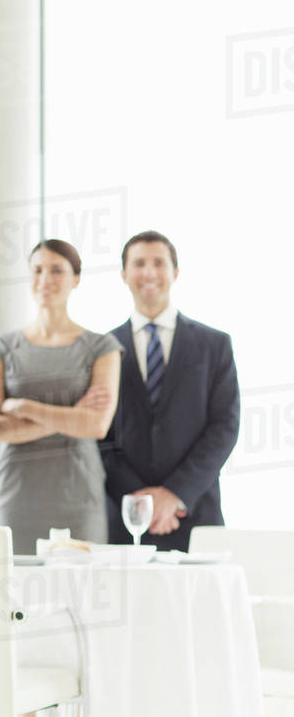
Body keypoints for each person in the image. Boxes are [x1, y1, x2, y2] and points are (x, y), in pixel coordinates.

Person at [0, 240, 123, 553]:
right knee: (12, 594)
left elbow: (96, 426)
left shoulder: (101, 347)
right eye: (37, 270)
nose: (45, 279)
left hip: (78, 496)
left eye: (57, 270)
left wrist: (24, 407)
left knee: (80, 592)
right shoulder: (0, 347)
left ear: (76, 279)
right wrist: (71, 416)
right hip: (15, 495)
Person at [100, 231, 240, 551]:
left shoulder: (214, 345)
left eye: (158, 263)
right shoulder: (102, 349)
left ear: (175, 273)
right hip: (127, 518)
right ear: (124, 275)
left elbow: (225, 426)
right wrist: (142, 500)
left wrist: (173, 494)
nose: (149, 272)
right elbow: (99, 437)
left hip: (194, 512)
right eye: (138, 264)